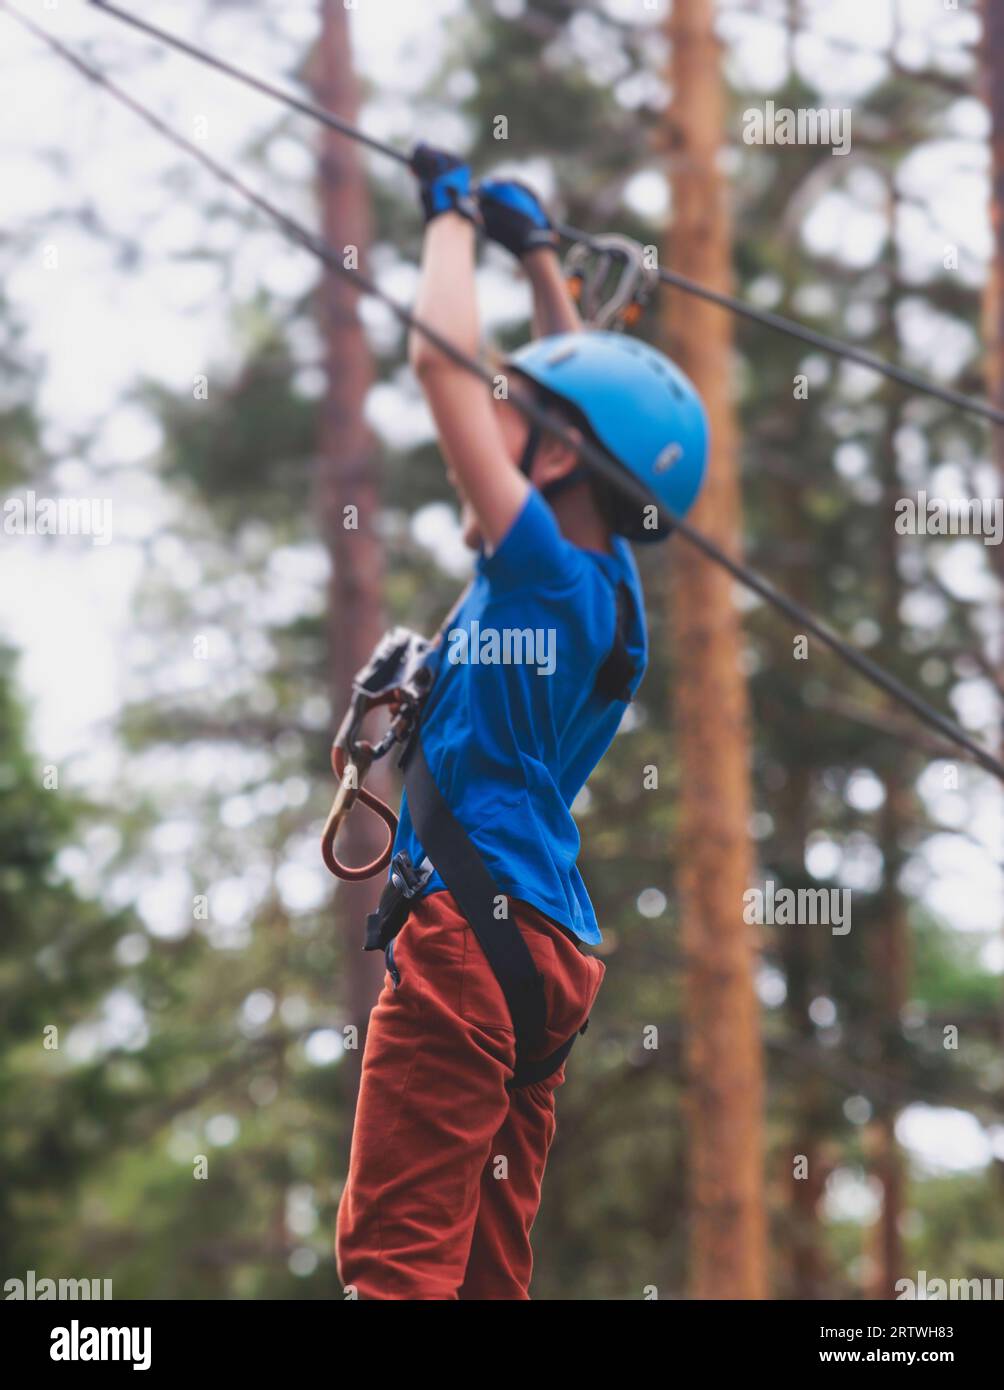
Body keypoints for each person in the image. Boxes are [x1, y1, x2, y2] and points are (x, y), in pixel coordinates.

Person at [335, 147, 708, 1300]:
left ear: (553, 459)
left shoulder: (538, 566)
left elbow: (440, 368)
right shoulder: (609, 594)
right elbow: (580, 399)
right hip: (543, 954)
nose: (490, 414)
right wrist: (537, 255)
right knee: (486, 1273)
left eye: (519, 415)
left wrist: (448, 223)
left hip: (463, 936)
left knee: (395, 1261)